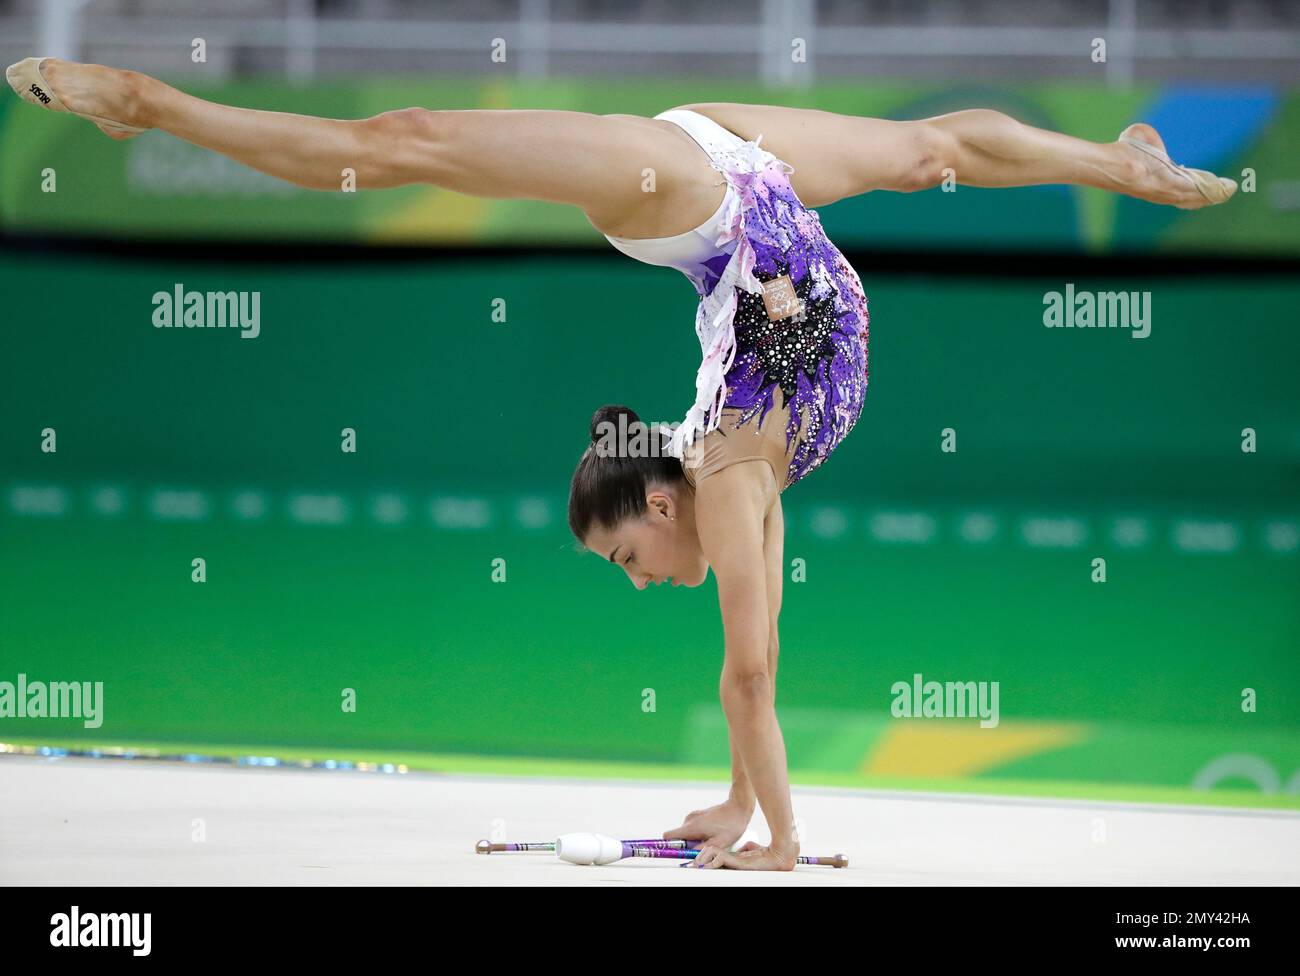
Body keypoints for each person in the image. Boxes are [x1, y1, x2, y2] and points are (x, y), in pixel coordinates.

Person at [7, 56, 1237, 870]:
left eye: (627, 557)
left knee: (406, 145)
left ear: (661, 496)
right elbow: (755, 673)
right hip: (742, 184)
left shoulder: (736, 470)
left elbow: (748, 678)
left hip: (694, 196)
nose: (642, 580)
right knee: (922, 151)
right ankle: (1114, 161)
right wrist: (755, 819)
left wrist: (773, 835)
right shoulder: (743, 483)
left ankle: (152, 105)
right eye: (630, 566)